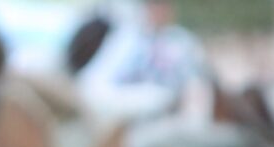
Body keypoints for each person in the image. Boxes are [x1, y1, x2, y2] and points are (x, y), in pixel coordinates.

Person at [78, 1, 209, 120]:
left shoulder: (182, 40)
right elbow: (96, 87)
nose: (160, 10)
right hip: (136, 121)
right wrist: (154, 98)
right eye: (154, 4)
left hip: (177, 118)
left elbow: (198, 84)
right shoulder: (129, 41)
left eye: (164, 5)